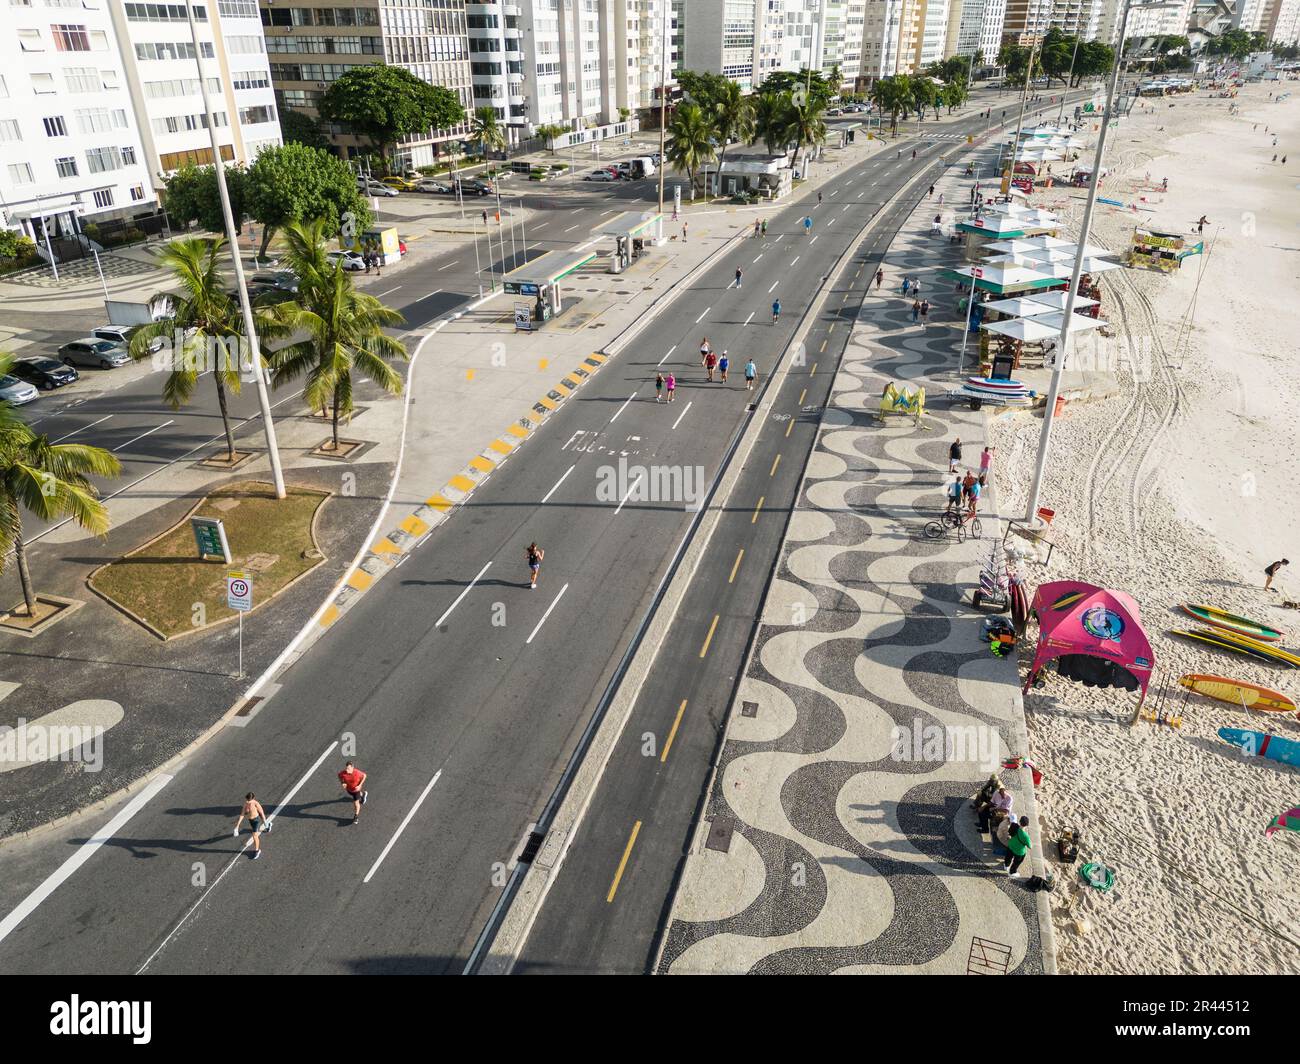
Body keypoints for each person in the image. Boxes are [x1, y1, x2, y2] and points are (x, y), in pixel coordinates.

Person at [234, 793, 270, 860]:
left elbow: (261, 812)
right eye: (247, 800)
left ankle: (257, 850)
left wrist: (264, 821)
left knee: (254, 835)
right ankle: (268, 825)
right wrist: (237, 826)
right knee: (255, 831)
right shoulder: (245, 804)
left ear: (253, 799)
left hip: (256, 820)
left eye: (249, 800)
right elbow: (242, 815)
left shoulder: (256, 803)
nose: (248, 802)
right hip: (251, 821)